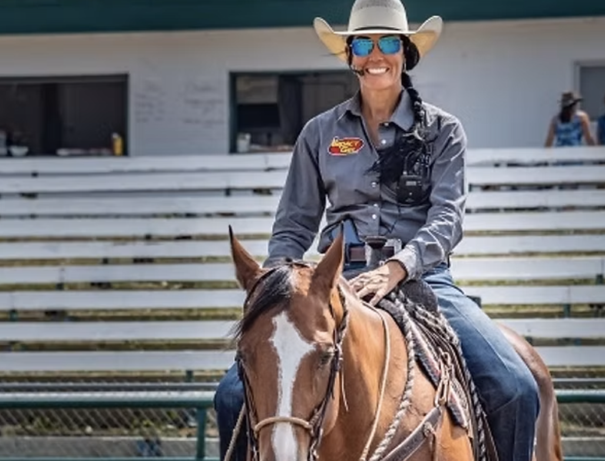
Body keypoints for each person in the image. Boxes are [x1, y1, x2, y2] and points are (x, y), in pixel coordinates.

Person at [213, 0, 541, 460]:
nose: (375, 55)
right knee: (230, 396)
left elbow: (447, 218)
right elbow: (293, 225)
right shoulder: (318, 133)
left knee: (515, 387)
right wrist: (277, 289)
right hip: (333, 283)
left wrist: (396, 268)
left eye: (387, 42)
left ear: (406, 52)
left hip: (423, 280)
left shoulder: (443, 131)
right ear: (349, 55)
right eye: (362, 44)